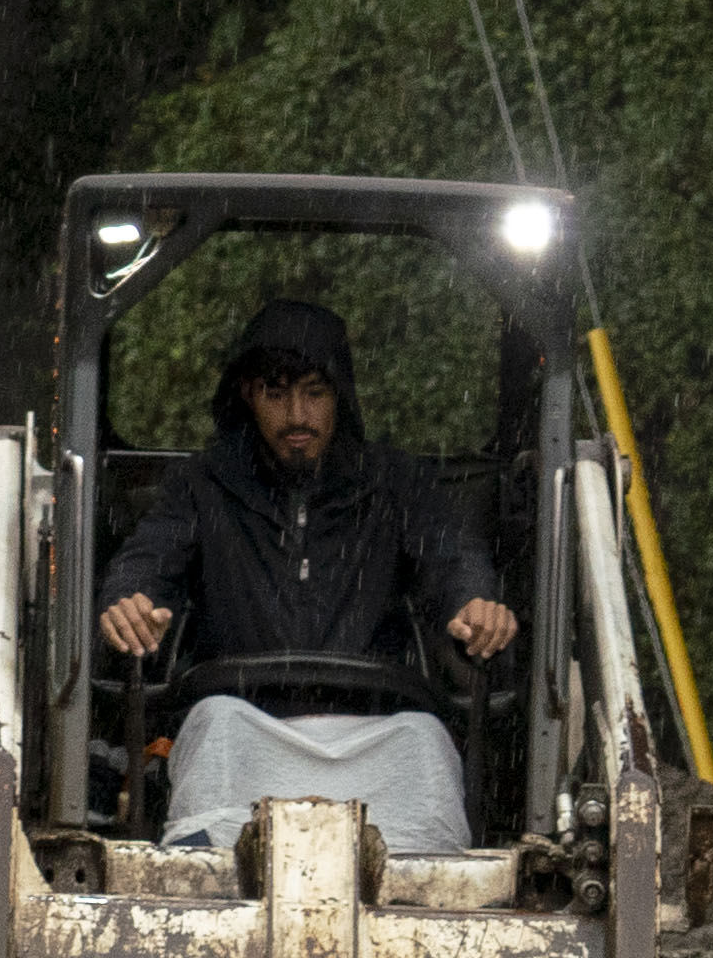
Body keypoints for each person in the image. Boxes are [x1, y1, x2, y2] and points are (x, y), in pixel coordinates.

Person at [91, 296, 514, 853]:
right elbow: (147, 561)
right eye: (276, 392)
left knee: (426, 739)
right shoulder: (203, 486)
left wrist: (474, 602)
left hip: (381, 728)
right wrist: (129, 601)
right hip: (241, 722)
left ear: (340, 396)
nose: (296, 415)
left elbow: (451, 556)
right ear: (247, 395)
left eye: (314, 392)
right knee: (211, 724)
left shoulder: (395, 484)